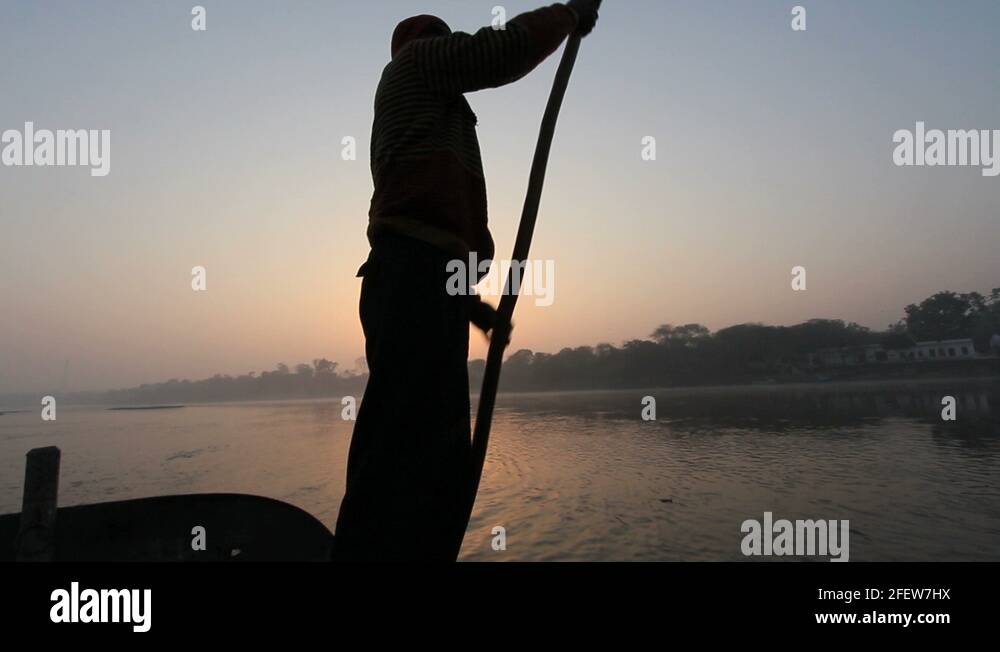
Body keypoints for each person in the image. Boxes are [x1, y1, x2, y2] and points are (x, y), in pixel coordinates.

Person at [334, 2, 601, 561]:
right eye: (443, 38)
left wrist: (477, 312)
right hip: (409, 278)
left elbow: (438, 242)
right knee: (400, 442)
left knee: (433, 446)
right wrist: (567, 15)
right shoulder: (418, 65)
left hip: (423, 282)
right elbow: (498, 51)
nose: (449, 43)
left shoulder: (437, 109)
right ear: (429, 43)